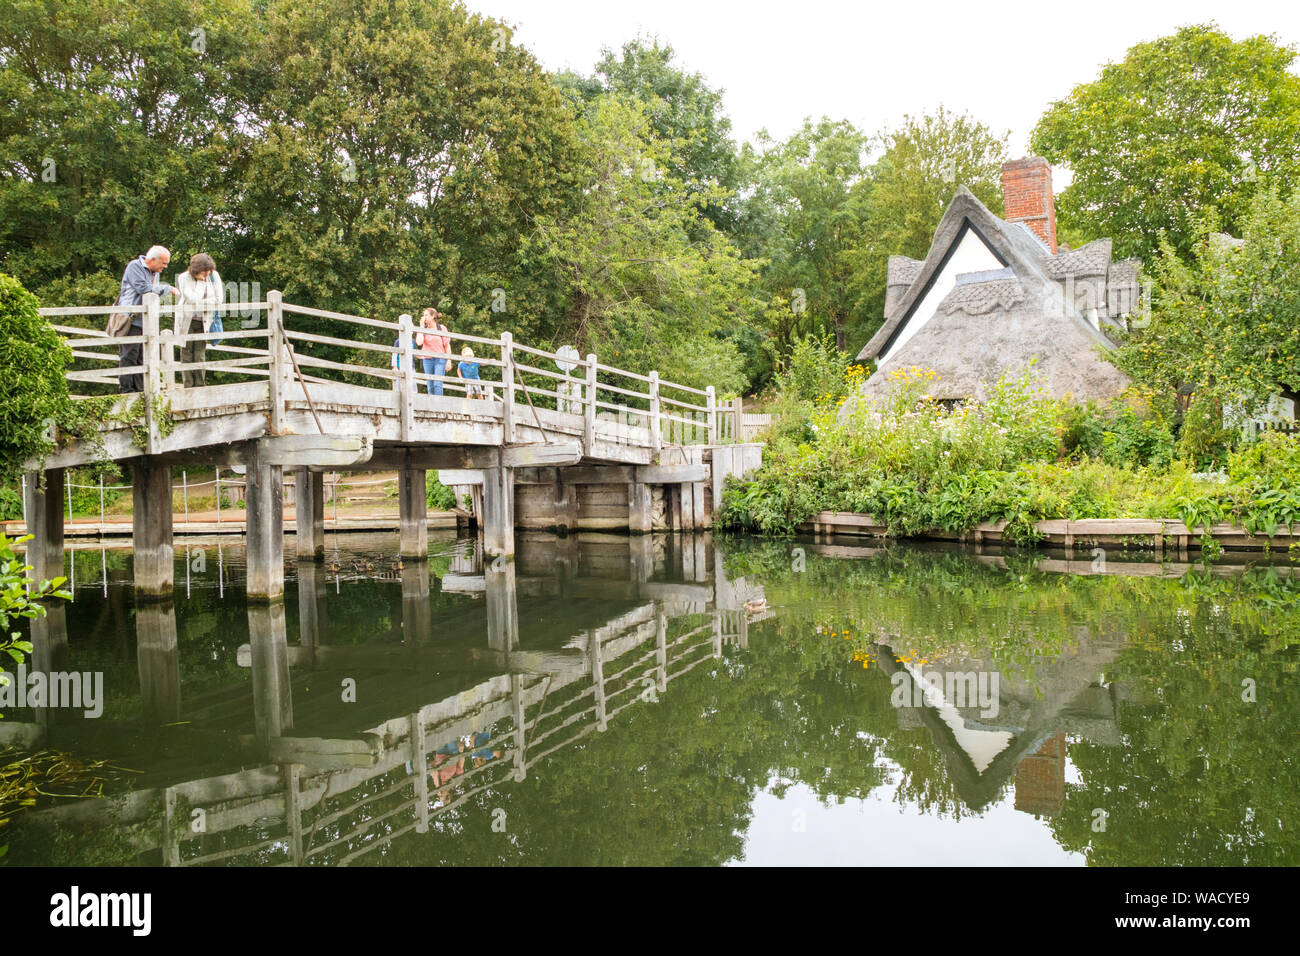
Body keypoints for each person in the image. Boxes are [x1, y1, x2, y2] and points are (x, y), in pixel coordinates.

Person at [116, 246, 178, 392]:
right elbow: (144, 289)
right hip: (130, 318)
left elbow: (152, 292)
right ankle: (126, 391)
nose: (165, 266)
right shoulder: (135, 267)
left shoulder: (154, 273)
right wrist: (168, 289)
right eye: (163, 263)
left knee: (141, 357)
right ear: (152, 260)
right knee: (128, 356)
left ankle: (139, 390)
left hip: (145, 320)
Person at [174, 253, 223, 387]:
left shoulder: (214, 275)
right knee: (186, 355)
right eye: (204, 271)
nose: (207, 274)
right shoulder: (184, 277)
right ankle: (188, 386)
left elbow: (219, 299)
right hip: (186, 320)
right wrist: (201, 283)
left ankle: (200, 386)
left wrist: (202, 302)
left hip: (204, 320)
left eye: (209, 271)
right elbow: (192, 299)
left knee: (199, 355)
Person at [418, 308, 452, 396]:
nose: (424, 317)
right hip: (427, 360)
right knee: (430, 385)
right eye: (423, 315)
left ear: (432, 316)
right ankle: (432, 408)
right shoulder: (422, 329)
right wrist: (421, 328)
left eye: (426, 315)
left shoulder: (441, 328)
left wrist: (449, 360)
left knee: (437, 384)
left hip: (440, 359)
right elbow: (419, 342)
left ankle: (439, 407)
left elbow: (447, 345)